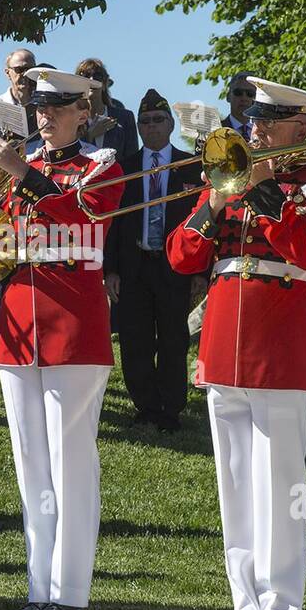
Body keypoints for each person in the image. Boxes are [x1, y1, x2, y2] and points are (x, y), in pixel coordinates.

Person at [169, 78, 306, 610]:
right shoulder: (230, 177)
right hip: (224, 342)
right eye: (256, 119)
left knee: (279, 481)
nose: (257, 128)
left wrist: (264, 189)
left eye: (271, 121)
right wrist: (217, 200)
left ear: (303, 128)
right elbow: (182, 255)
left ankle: (281, 607)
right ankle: (244, 602)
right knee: (236, 482)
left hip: (282, 343)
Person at [0, 66, 123, 610]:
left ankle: (71, 592)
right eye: (39, 107)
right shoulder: (24, 166)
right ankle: (40, 587)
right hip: (18, 322)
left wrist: (26, 178)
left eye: (58, 108)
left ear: (83, 113)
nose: (44, 117)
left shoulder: (102, 165)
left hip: (73, 324)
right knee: (31, 468)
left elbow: (88, 224)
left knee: (71, 463)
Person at [103, 88, 203, 432]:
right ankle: (145, 406)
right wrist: (111, 269)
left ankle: (171, 409)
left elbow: (203, 221)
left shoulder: (192, 167)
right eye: (144, 121)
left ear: (171, 124)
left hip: (175, 266)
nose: (151, 126)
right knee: (135, 340)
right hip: (134, 264)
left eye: (158, 119)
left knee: (174, 339)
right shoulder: (124, 167)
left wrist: (200, 272)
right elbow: (113, 222)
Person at [75, 58, 138, 160]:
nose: (91, 80)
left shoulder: (125, 118)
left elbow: (132, 161)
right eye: (85, 76)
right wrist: (89, 136)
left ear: (104, 84)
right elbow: (69, 157)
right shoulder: (71, 119)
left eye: (97, 76)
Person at [220, 72, 255, 139]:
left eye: (250, 93)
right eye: (238, 92)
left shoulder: (267, 132)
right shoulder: (212, 132)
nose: (244, 98)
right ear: (228, 97)